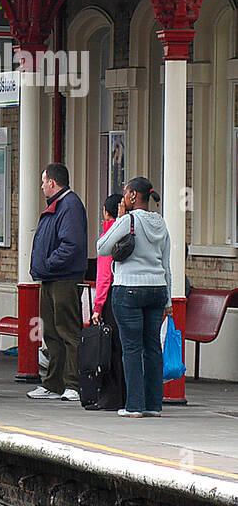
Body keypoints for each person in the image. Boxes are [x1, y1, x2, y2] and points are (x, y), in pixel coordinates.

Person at [97, 176, 171, 417]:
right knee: (152, 347)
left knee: (131, 348)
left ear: (131, 197)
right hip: (157, 289)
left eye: (125, 192)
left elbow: (102, 247)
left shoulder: (127, 220)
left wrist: (118, 220)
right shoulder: (161, 223)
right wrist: (168, 300)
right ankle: (153, 405)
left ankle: (134, 406)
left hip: (128, 288)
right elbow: (167, 265)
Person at [27, 162, 88, 402]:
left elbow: (72, 244)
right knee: (51, 332)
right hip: (51, 277)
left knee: (68, 331)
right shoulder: (58, 205)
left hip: (64, 277)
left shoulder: (69, 205)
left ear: (52, 182)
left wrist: (50, 263)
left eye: (43, 182)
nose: (42, 187)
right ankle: (53, 384)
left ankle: (73, 384)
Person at [88, 195, 126, 410]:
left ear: (105, 212)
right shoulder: (131, 231)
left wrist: (97, 306)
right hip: (130, 293)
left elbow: (104, 275)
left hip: (112, 296)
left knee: (110, 350)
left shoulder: (109, 235)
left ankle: (110, 398)